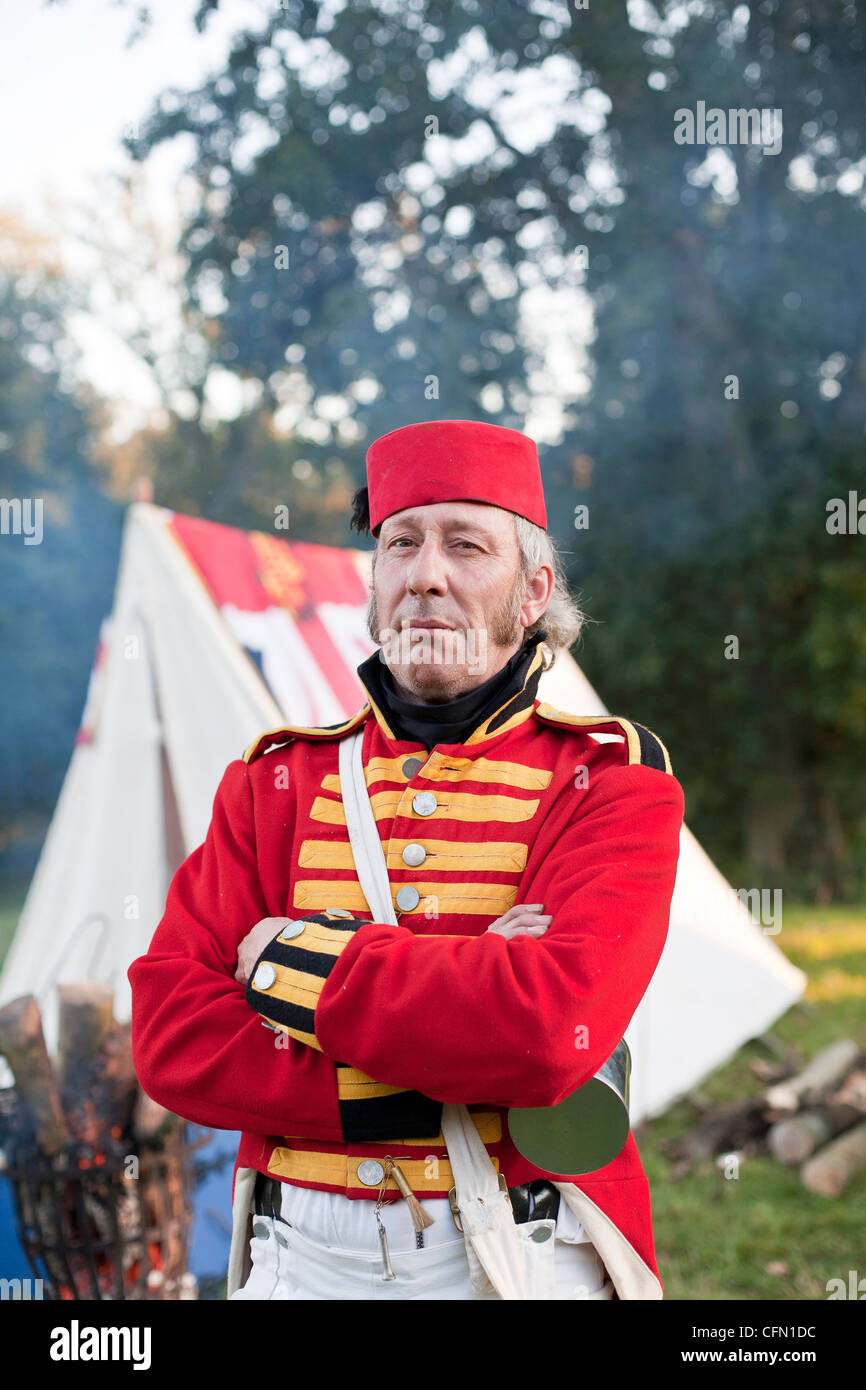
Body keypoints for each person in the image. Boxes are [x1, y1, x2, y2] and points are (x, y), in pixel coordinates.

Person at [128, 418, 685, 1300]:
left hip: (521, 1243)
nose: (427, 575)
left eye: (466, 546)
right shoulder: (276, 781)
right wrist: (467, 1016)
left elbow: (548, 1036)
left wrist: (286, 959)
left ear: (533, 590)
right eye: (401, 545)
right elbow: (172, 1039)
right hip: (296, 1255)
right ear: (377, 578)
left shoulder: (610, 781)